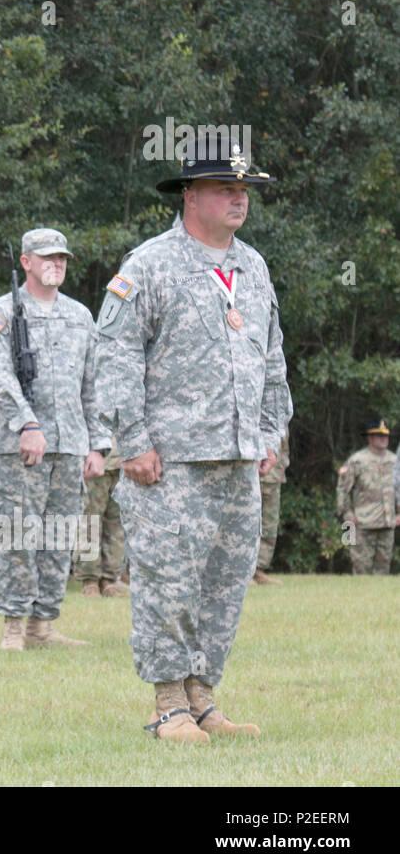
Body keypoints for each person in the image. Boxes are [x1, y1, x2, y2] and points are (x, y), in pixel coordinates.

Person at [96, 149, 289, 743]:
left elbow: (272, 358)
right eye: (225, 188)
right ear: (189, 195)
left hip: (236, 458)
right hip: (167, 461)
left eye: (245, 189)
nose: (239, 198)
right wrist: (132, 442)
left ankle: (203, 700)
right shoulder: (150, 265)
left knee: (224, 582)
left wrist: (269, 430)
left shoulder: (252, 267)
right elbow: (115, 354)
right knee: (167, 581)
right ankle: (166, 707)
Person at [0, 228, 107, 651]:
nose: (57, 264)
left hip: (69, 445)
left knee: (60, 538)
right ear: (26, 262)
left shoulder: (80, 316)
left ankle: (43, 625)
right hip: (18, 447)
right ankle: (14, 624)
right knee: (17, 535)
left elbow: (93, 384)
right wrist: (26, 425)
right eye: (47, 257)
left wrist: (97, 443)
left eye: (63, 258)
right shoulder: (0, 313)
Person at [336, 420, 395, 575]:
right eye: (378, 435)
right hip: (362, 523)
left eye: (385, 436)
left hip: (387, 523)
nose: (383, 439)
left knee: (383, 571)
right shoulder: (357, 461)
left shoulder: (395, 461)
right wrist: (348, 516)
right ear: (370, 438)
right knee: (361, 569)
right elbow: (343, 490)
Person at [73, 441, 128, 598]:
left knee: (117, 523)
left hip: (123, 462)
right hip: (96, 459)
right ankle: (90, 581)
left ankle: (109, 580)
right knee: (90, 522)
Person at [253, 433, 290, 583]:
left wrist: (281, 469)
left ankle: (258, 569)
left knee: (269, 526)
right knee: (247, 524)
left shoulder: (281, 413)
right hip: (254, 474)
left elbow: (284, 447)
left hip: (274, 476)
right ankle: (245, 573)